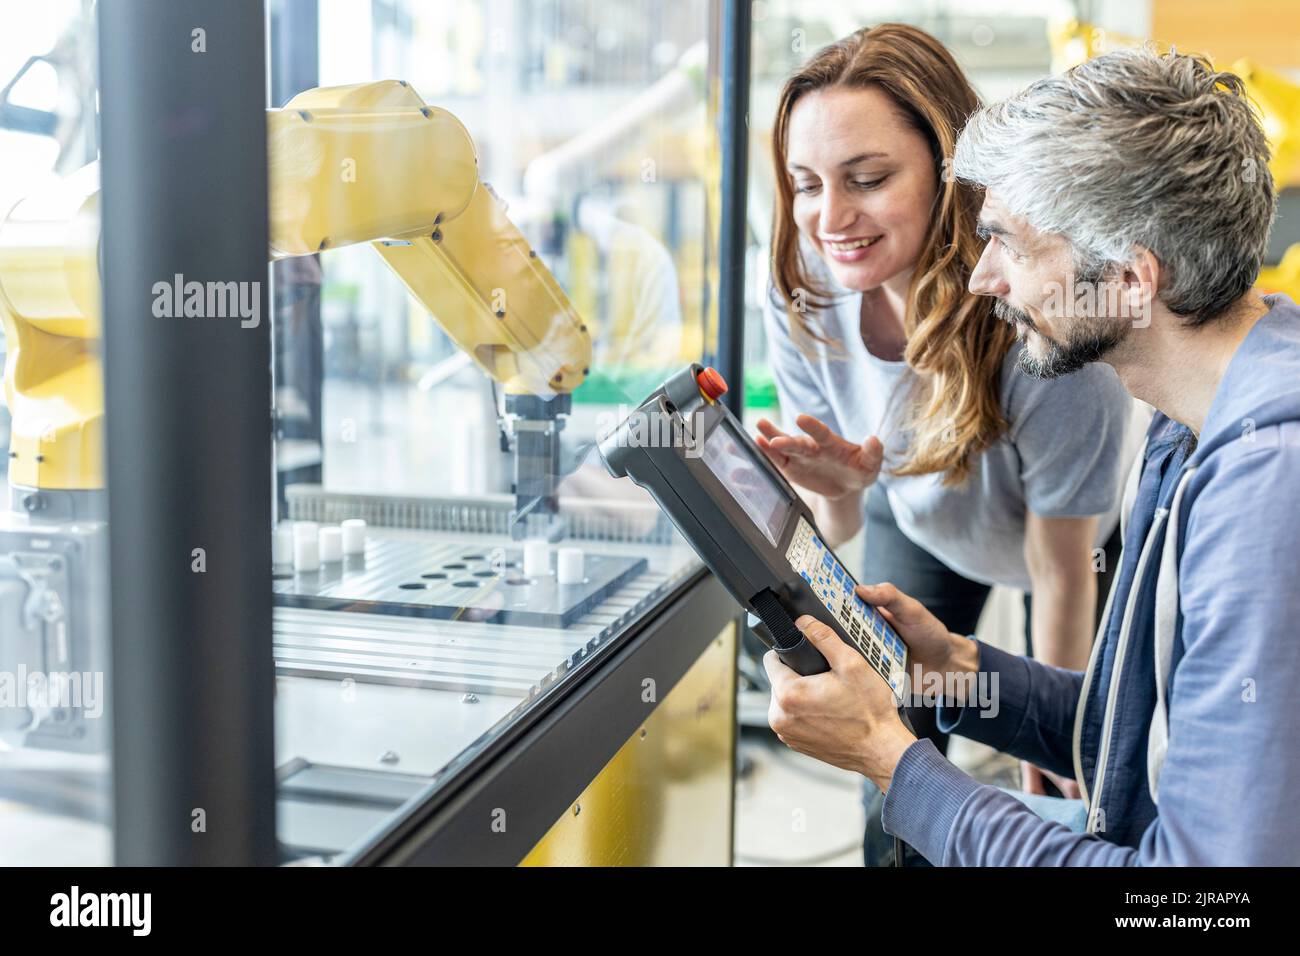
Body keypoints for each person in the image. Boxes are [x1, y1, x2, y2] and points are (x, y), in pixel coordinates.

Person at [765, 46, 1300, 864]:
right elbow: (1139, 726)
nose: (980, 278)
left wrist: (891, 758)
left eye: (1010, 243)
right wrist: (956, 669)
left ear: (1128, 279)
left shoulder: (1266, 488)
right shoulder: (1190, 417)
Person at [756, 23, 1139, 863]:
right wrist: (843, 484)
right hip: (921, 518)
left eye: (868, 179)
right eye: (806, 184)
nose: (830, 218)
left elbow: (1059, 564)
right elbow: (841, 525)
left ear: (947, 164)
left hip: (1069, 550)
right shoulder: (801, 284)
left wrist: (1053, 749)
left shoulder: (1035, 314)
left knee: (1090, 765)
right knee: (888, 763)